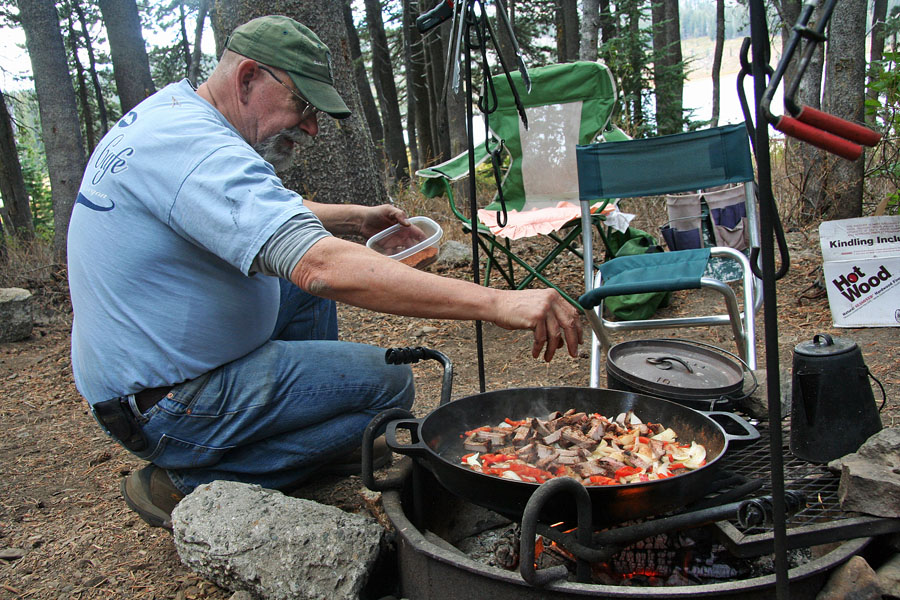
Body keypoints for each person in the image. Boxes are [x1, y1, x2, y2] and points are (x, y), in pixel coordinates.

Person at [67, 15, 582, 530]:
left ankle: (306, 429)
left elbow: (255, 208)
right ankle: (188, 482)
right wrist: (499, 302)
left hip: (158, 366)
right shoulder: (199, 152)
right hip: (167, 405)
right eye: (303, 105)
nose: (310, 128)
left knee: (305, 305)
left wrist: (354, 218)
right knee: (390, 389)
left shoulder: (176, 115)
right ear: (249, 78)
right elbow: (317, 266)